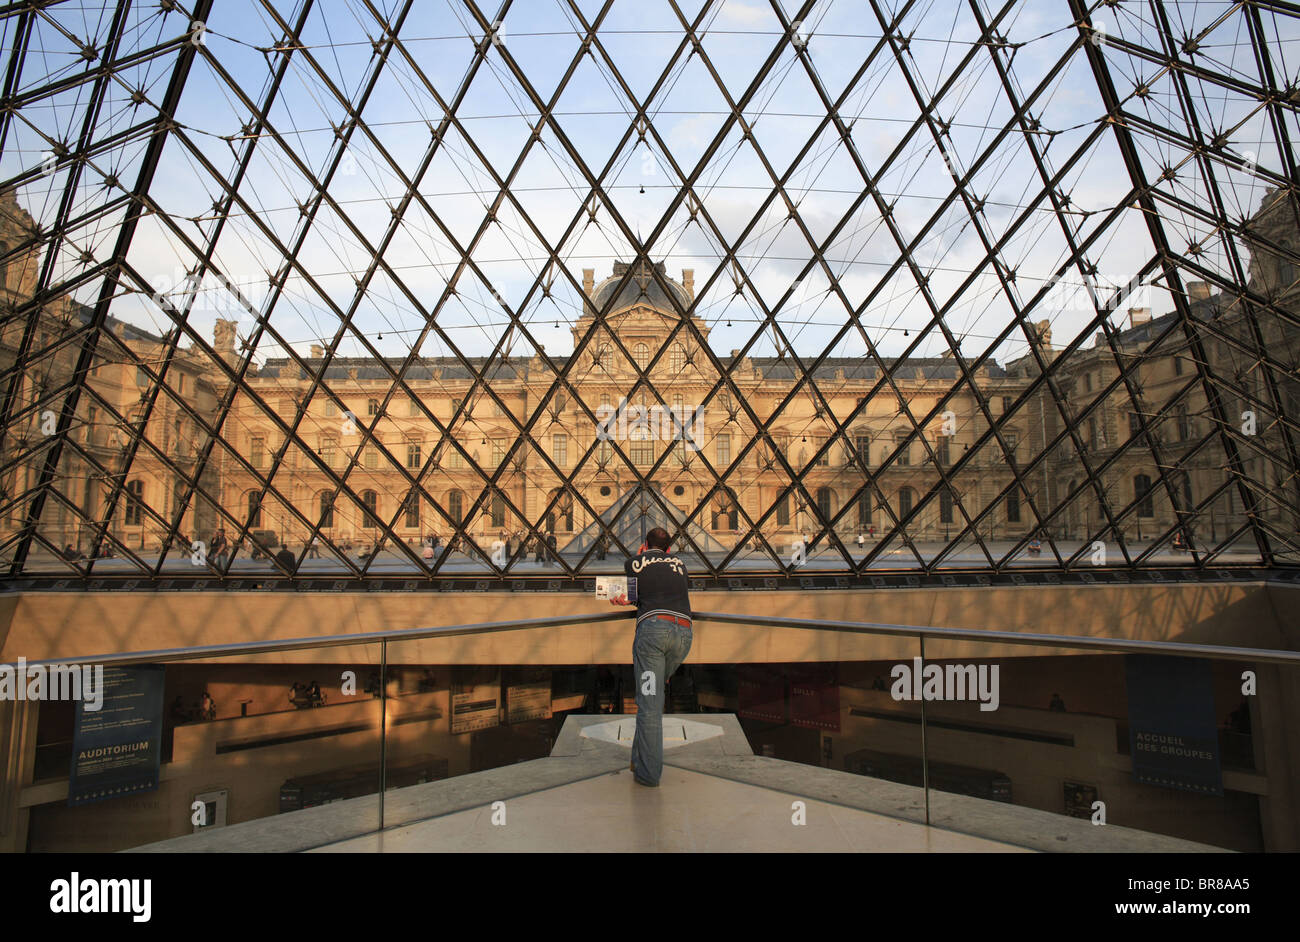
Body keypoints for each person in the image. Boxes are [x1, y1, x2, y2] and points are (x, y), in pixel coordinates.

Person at [608, 526, 692, 788]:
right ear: (669, 549)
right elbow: (664, 592)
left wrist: (624, 601)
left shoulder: (634, 562)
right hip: (684, 634)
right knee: (652, 697)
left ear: (645, 545)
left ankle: (648, 775)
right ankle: (638, 760)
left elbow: (637, 595)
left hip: (653, 636)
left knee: (650, 707)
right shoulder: (680, 564)